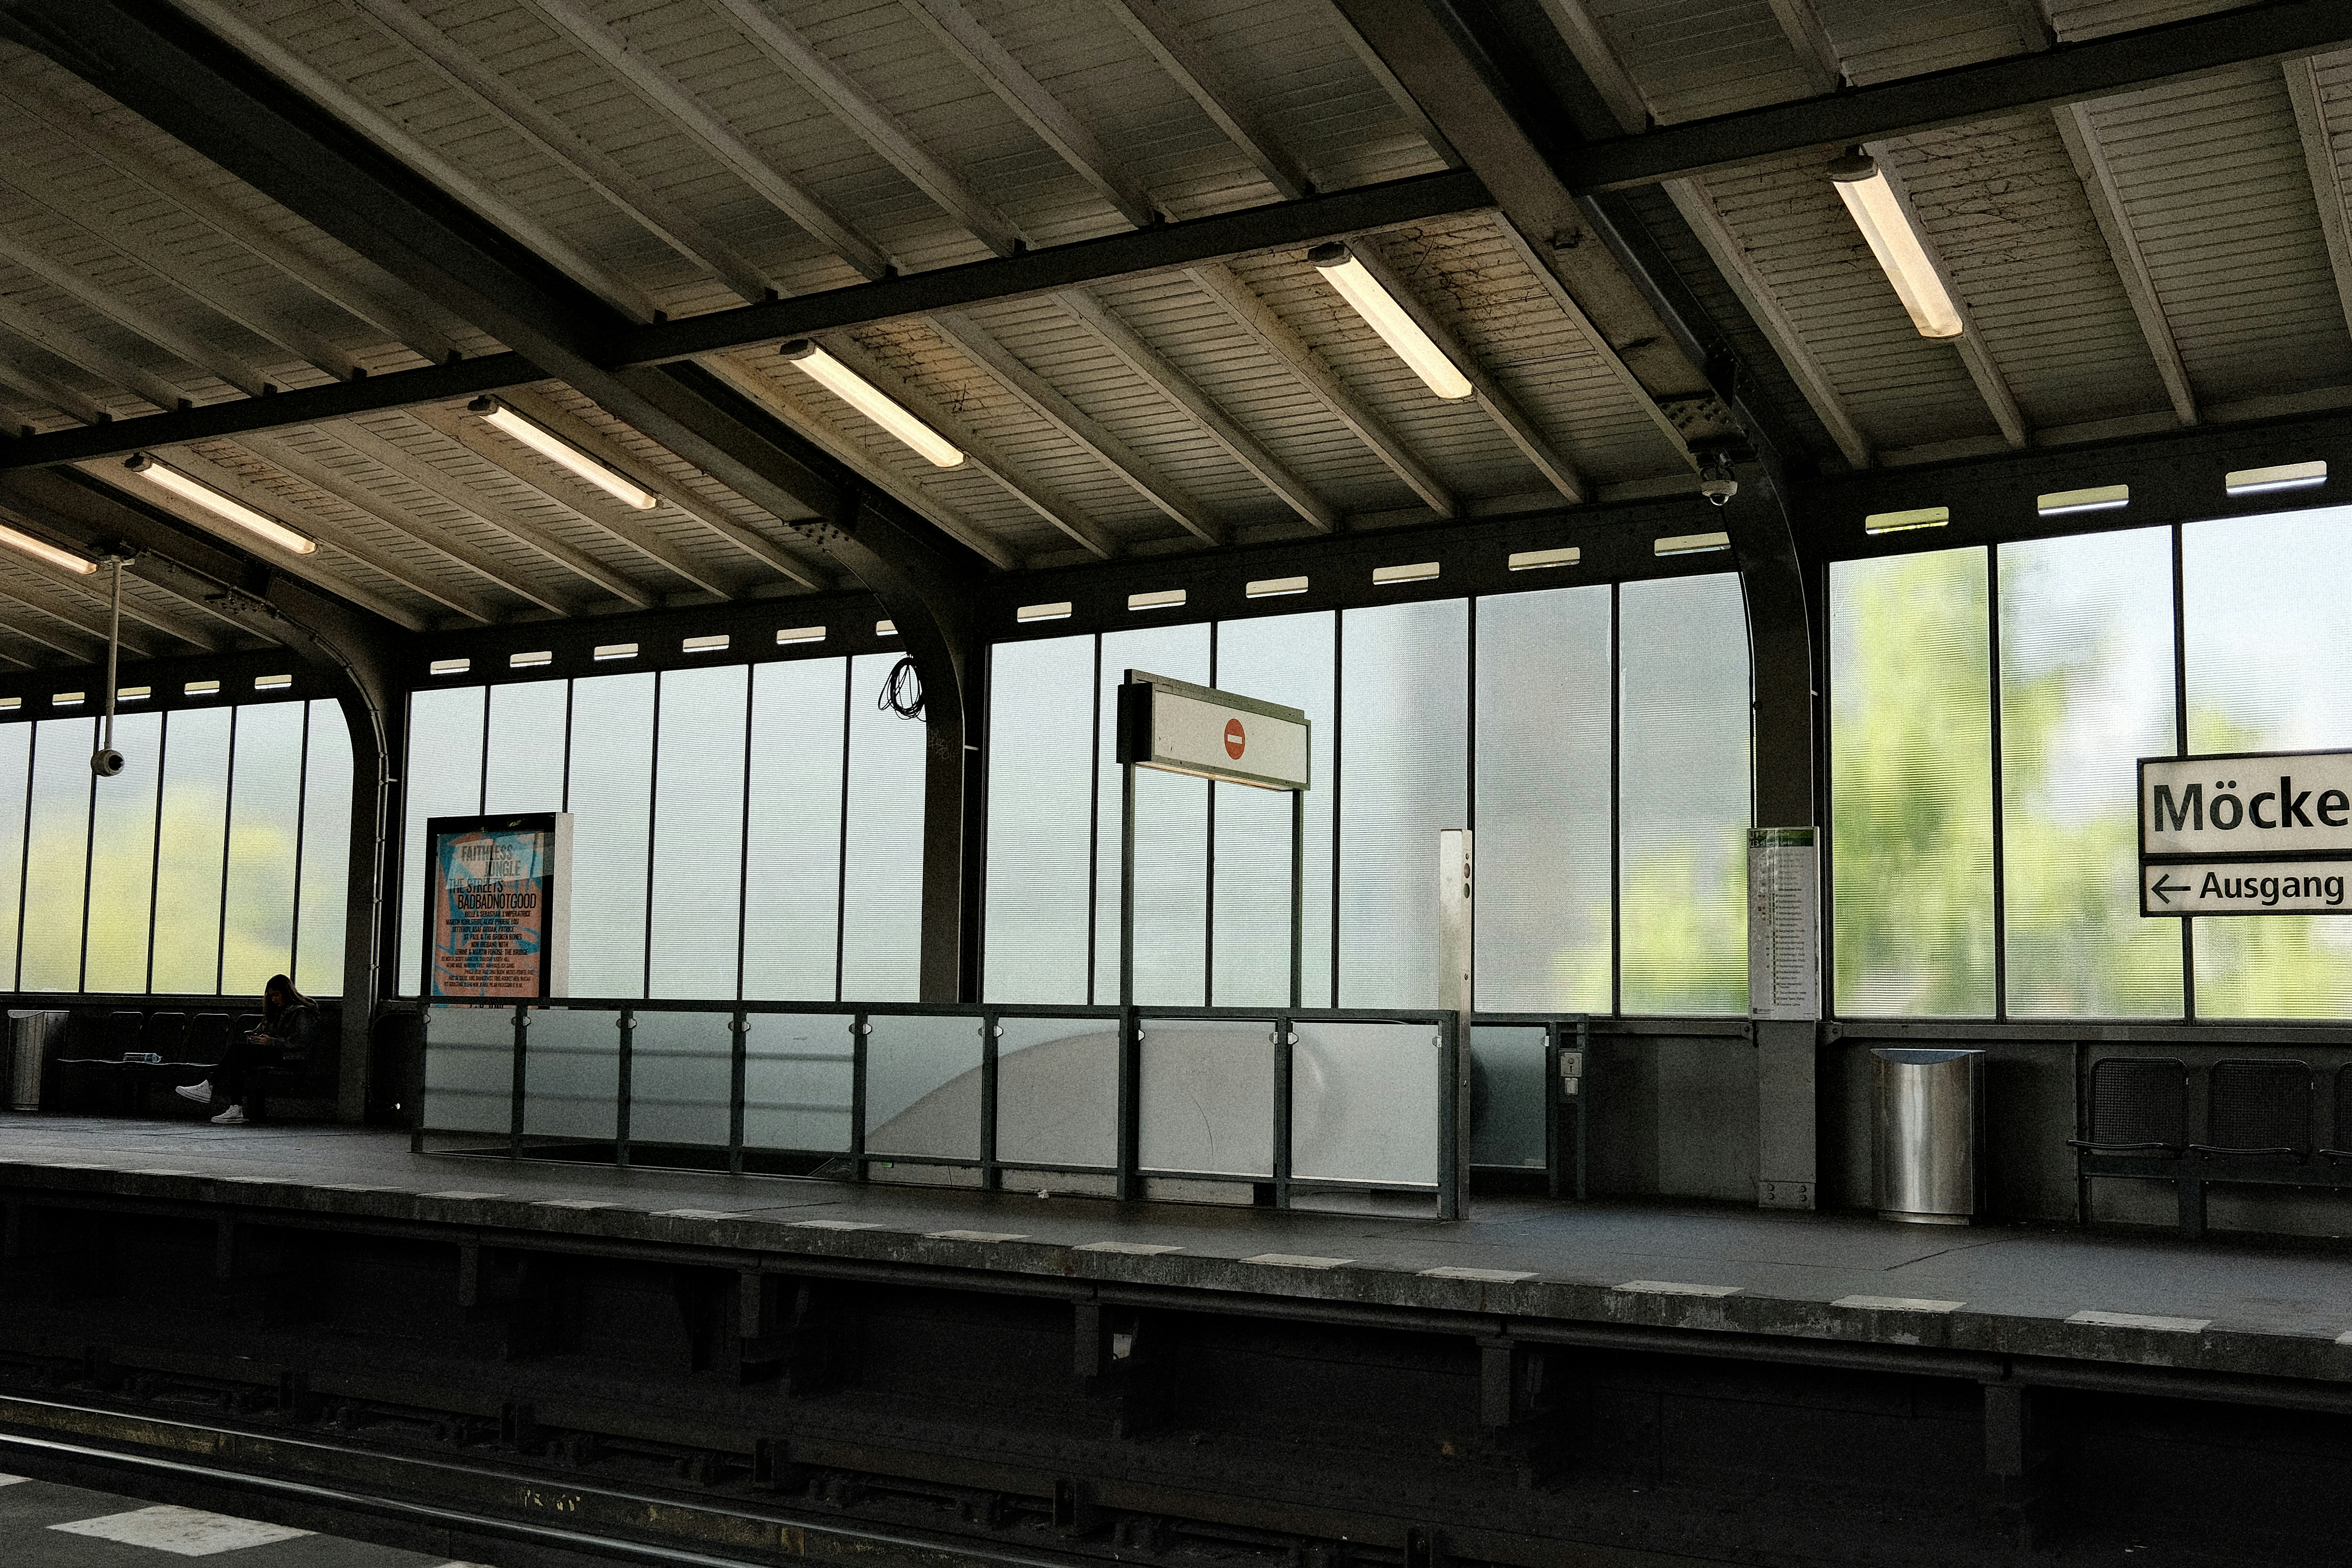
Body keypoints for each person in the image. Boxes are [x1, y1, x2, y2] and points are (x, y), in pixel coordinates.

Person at [176, 975, 318, 1125]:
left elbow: (301, 1041)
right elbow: (262, 1029)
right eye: (271, 996)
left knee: (237, 1051)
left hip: (293, 1058)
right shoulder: (278, 1012)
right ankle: (235, 1107)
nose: (274, 1000)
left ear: (287, 992)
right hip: (279, 1053)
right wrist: (254, 1037)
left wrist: (270, 1042)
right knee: (237, 1061)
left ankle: (210, 1086)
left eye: (277, 995)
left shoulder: (302, 1012)